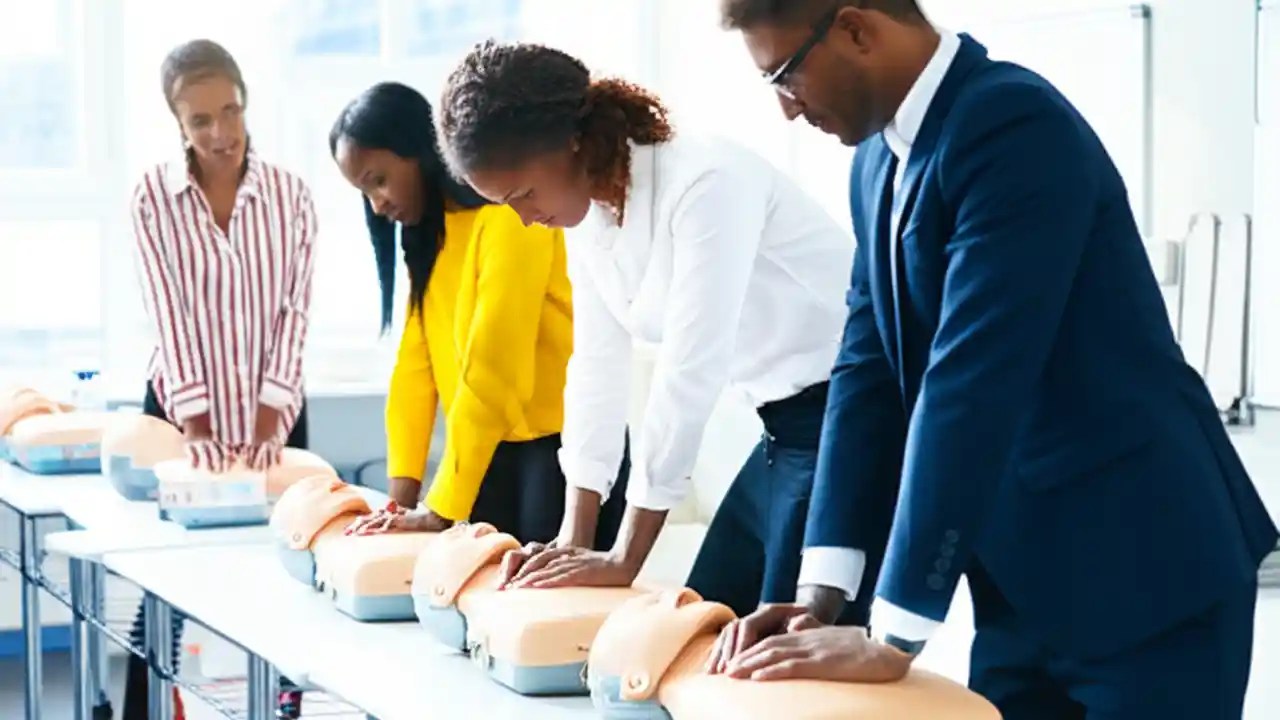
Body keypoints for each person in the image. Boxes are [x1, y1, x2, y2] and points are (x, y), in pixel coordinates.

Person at [710, 1, 1280, 717]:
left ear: (855, 28)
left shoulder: (1011, 123)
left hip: (1145, 571)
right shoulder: (877, 162)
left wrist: (892, 636)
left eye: (786, 76)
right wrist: (820, 598)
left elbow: (971, 378)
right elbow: (867, 373)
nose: (789, 110)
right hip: (1020, 587)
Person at [436, 40, 857, 621]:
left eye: (524, 195)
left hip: (857, 419)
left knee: (756, 654)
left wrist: (625, 558)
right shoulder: (588, 211)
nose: (526, 218)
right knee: (700, 627)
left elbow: (689, 373)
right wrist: (573, 539)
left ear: (572, 143)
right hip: (783, 429)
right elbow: (594, 368)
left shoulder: (705, 182)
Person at [332, 82, 627, 547]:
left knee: (536, 609)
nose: (377, 204)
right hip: (490, 451)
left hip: (562, 450)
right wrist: (398, 504)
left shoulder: (511, 213)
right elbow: (415, 370)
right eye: (363, 191)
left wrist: (440, 507)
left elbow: (494, 369)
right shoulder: (430, 236)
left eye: (379, 179)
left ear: (418, 152)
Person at [127, 39, 314, 720]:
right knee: (166, 585)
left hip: (278, 408)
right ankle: (145, 710)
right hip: (177, 411)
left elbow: (296, 310)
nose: (220, 132)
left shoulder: (291, 196)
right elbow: (166, 312)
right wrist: (196, 424)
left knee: (283, 581)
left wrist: (272, 418)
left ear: (245, 103)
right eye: (200, 120)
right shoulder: (152, 197)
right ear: (177, 123)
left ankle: (282, 708)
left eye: (229, 111)